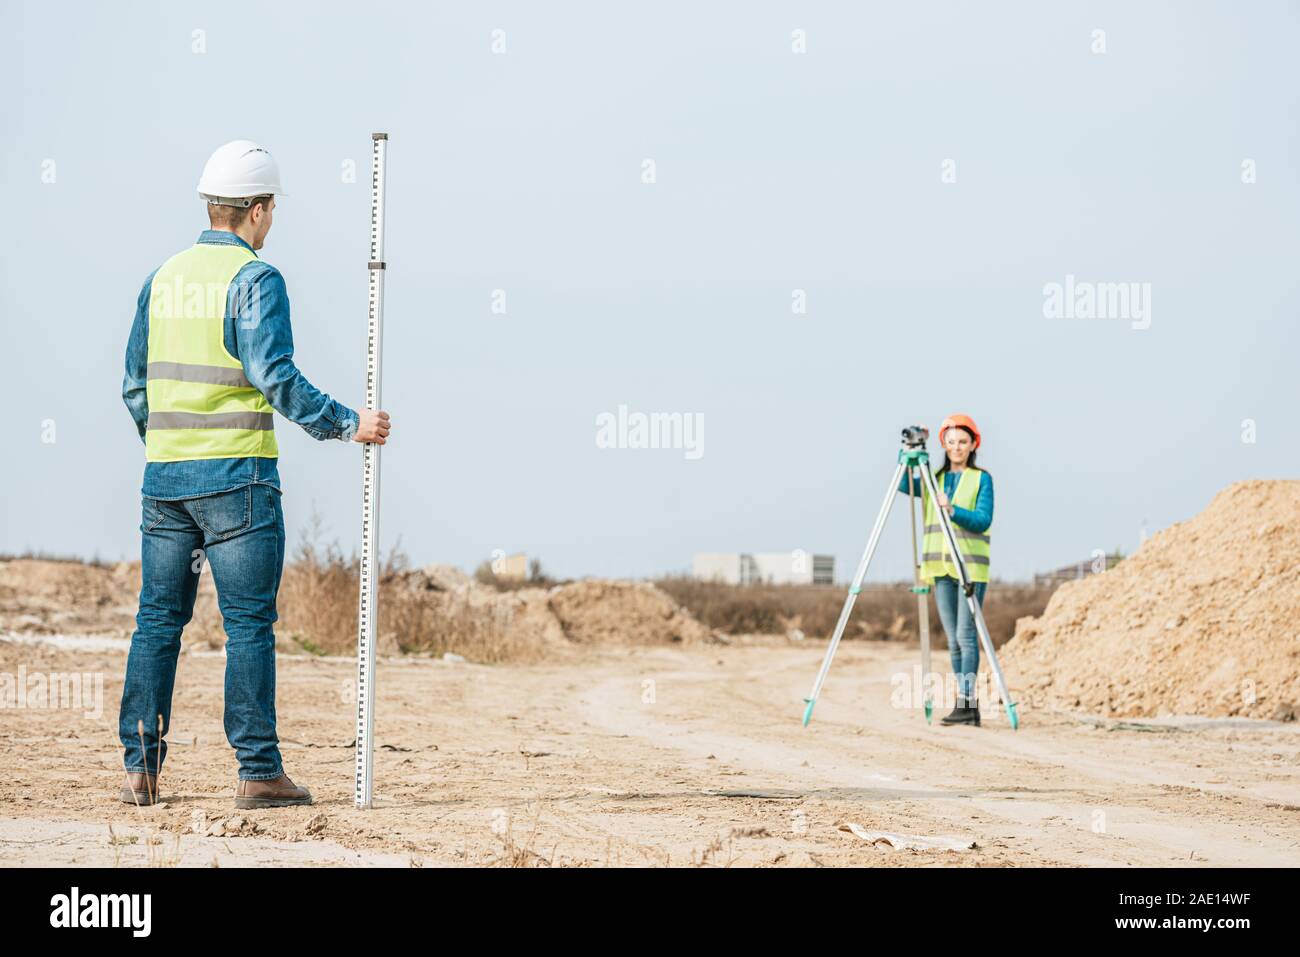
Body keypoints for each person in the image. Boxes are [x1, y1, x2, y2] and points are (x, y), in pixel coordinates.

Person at [118, 140, 392, 808]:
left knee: (158, 621)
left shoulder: (163, 278)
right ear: (259, 211)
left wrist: (166, 447)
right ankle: (258, 770)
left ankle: (141, 770)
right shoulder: (255, 279)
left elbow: (134, 386)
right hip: (237, 480)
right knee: (247, 626)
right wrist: (345, 422)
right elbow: (275, 377)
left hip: (165, 483)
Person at [898, 414, 993, 726]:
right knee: (953, 639)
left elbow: (982, 520)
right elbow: (902, 484)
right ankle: (964, 707)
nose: (956, 447)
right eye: (951, 442)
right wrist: (908, 455)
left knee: (966, 637)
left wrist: (952, 510)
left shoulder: (982, 479)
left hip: (969, 570)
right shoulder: (932, 479)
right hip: (939, 568)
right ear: (943, 444)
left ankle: (968, 703)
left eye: (962, 442)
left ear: (973, 444)